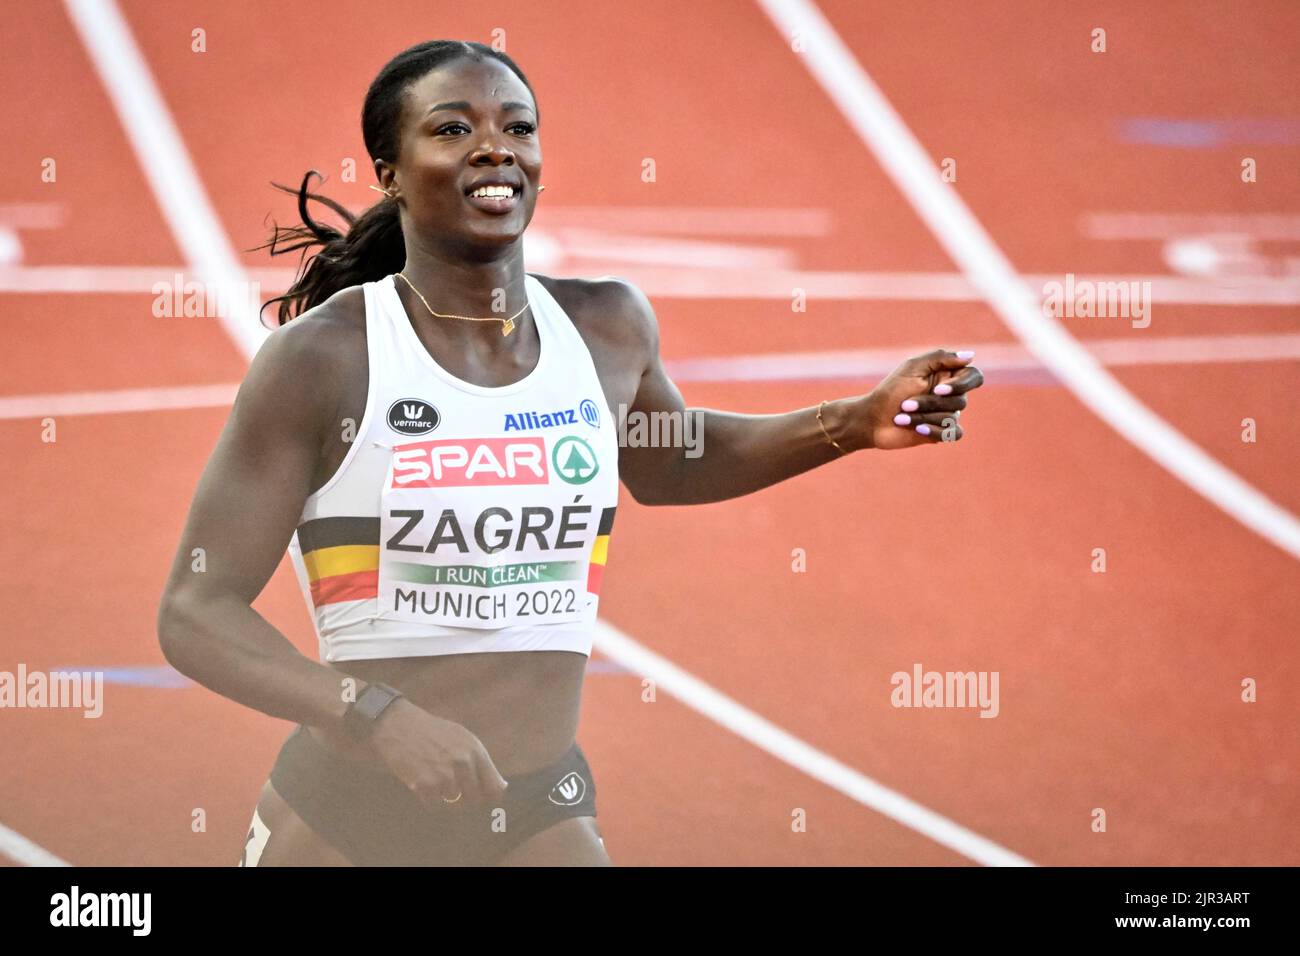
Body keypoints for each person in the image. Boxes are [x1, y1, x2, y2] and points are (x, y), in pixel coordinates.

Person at [156, 39, 983, 867]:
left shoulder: (605, 327)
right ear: (390, 174)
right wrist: (375, 715)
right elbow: (196, 610)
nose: (494, 148)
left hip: (535, 807)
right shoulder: (326, 357)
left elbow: (673, 461)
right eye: (453, 129)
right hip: (352, 812)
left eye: (517, 127)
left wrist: (856, 422)